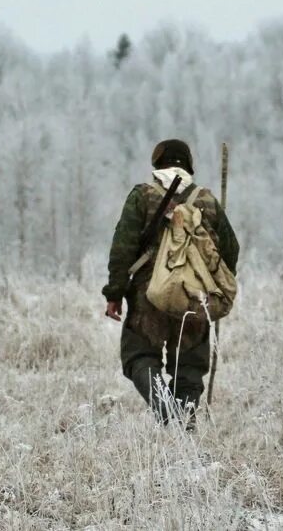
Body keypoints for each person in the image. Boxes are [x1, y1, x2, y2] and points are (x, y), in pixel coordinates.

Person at [103, 139, 239, 427]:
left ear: (157, 164)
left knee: (140, 356)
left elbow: (122, 248)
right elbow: (230, 251)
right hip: (195, 295)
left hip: (147, 297)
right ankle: (184, 423)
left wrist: (114, 292)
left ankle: (167, 413)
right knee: (190, 363)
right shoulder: (207, 200)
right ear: (188, 164)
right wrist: (215, 290)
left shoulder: (142, 196)